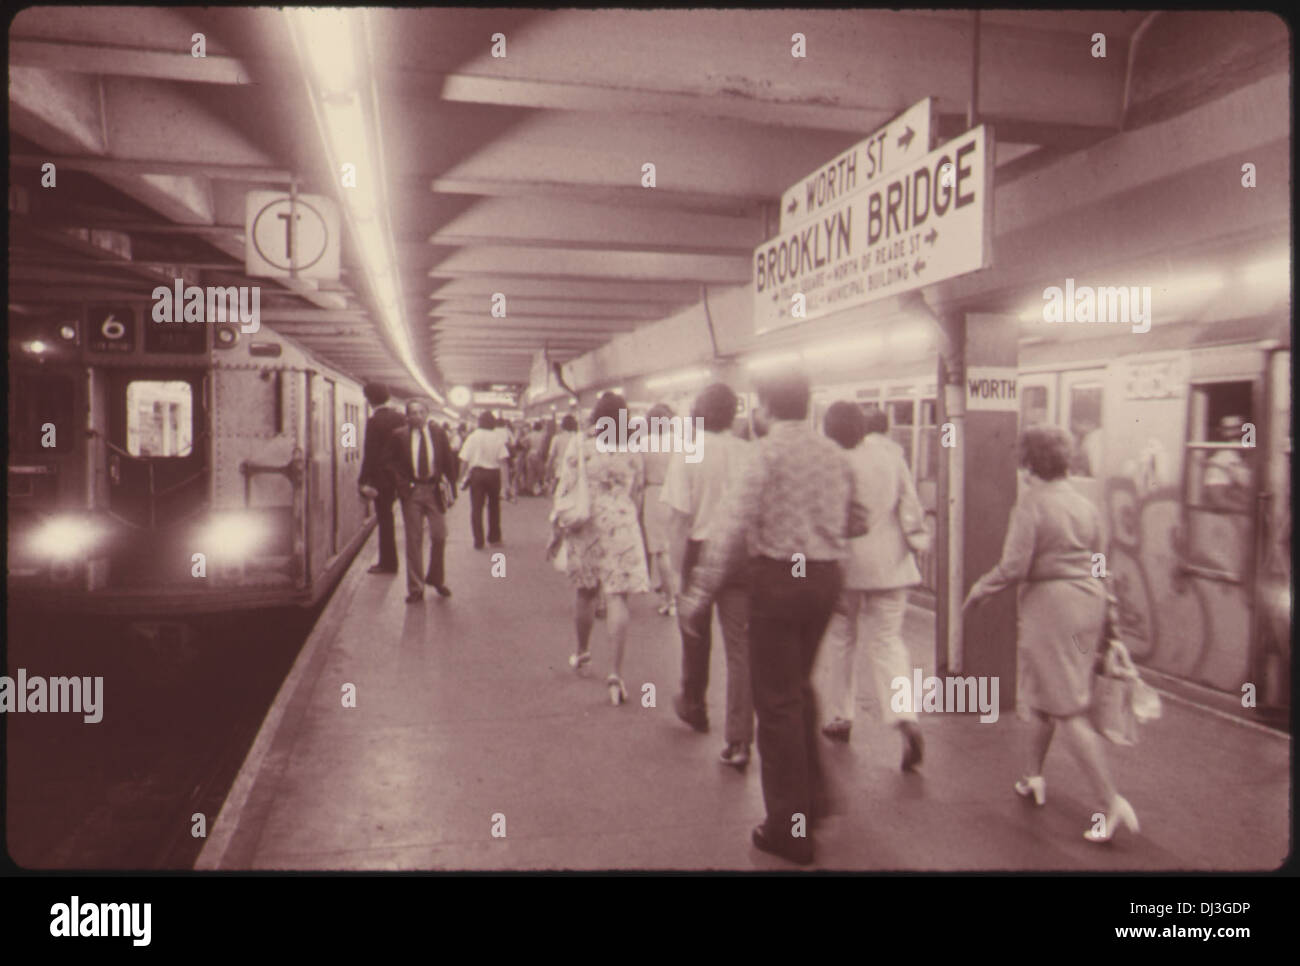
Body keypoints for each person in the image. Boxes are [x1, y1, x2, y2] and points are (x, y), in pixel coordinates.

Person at [679, 368, 853, 865]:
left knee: (775, 705)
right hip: (823, 580)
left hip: (779, 581)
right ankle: (814, 800)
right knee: (798, 687)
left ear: (766, 407)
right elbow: (857, 517)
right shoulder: (833, 455)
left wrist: (700, 593)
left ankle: (789, 830)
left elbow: (731, 527)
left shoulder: (764, 454)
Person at [962, 425, 1138, 843]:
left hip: (1052, 609)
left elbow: (1015, 566)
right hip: (1088, 604)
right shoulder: (1086, 505)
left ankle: (1110, 802)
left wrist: (979, 591)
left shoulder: (1032, 503)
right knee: (1046, 696)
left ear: (1028, 462)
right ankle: (1032, 776)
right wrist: (1109, 618)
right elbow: (1100, 564)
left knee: (1067, 708)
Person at [818, 405, 925, 770]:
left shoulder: (830, 463)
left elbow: (826, 520)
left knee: (841, 639)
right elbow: (910, 506)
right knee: (888, 642)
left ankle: (840, 716)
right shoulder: (890, 455)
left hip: (846, 567)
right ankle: (904, 715)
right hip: (892, 565)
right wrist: (915, 541)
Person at [664, 383, 756, 769]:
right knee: (740, 649)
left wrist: (673, 569)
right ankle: (738, 741)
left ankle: (695, 705)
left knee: (694, 634)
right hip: (740, 555)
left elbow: (679, 517)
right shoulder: (748, 452)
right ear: (732, 413)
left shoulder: (689, 452)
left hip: (700, 551)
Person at [553, 392, 650, 706]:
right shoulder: (633, 448)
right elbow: (637, 490)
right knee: (617, 596)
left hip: (586, 525)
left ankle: (582, 654)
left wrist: (557, 529)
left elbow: (565, 487)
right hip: (622, 524)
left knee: (585, 593)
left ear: (596, 416)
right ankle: (615, 675)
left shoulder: (580, 444)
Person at [385, 398, 457, 603]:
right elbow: (388, 462)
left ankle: (435, 577)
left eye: (420, 412)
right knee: (414, 540)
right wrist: (402, 484)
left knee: (440, 535)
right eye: (412, 412)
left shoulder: (438, 434)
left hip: (434, 490)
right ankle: (415, 588)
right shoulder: (399, 436)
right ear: (407, 416)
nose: (416, 416)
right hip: (412, 492)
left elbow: (448, 461)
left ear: (427, 414)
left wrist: (452, 488)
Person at [358, 382, 406, 575]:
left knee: (385, 520)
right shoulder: (401, 418)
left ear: (369, 400)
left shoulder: (374, 422)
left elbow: (370, 453)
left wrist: (363, 480)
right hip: (401, 476)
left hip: (381, 479)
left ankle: (388, 563)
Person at [641, 404, 680, 617]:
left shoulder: (644, 443)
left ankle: (670, 600)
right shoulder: (678, 442)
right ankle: (675, 592)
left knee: (661, 551)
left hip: (654, 495)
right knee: (674, 548)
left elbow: (639, 474)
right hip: (676, 494)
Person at [457, 412, 510, 550]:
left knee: (476, 508)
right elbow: (503, 462)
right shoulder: (497, 438)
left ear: (479, 422)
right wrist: (506, 484)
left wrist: (459, 478)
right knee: (494, 507)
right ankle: (494, 538)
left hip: (477, 475)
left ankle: (478, 541)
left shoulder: (472, 437)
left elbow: (464, 460)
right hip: (493, 475)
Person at [547, 415, 578, 494]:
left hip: (560, 471)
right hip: (575, 471)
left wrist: (548, 470)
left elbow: (551, 456)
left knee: (559, 496)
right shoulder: (577, 438)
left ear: (562, 425)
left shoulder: (557, 438)